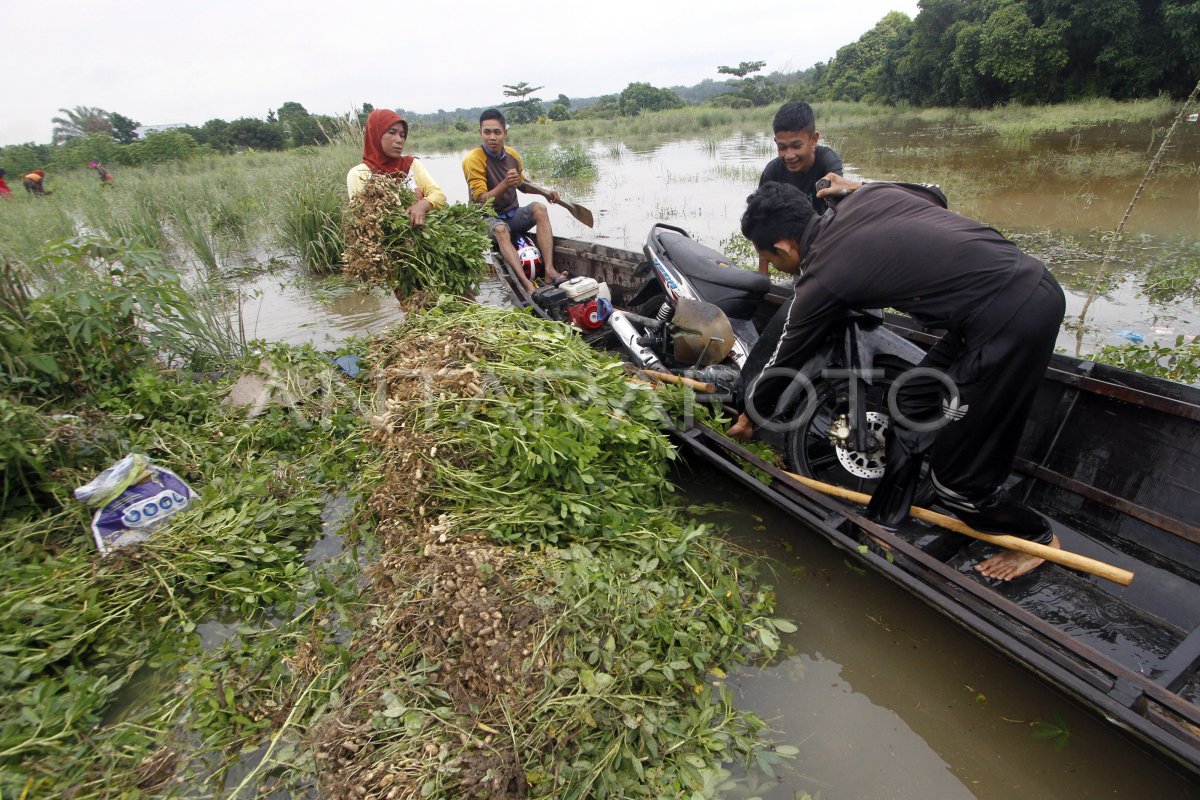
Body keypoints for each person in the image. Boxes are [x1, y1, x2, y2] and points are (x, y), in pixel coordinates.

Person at [728, 177, 1067, 581]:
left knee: (956, 484)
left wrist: (752, 414)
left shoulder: (824, 275)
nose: (773, 265)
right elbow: (934, 194)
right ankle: (886, 517)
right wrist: (855, 186)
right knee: (913, 401)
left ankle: (1038, 540)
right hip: (1001, 302)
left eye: (767, 256)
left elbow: (787, 355)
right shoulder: (866, 196)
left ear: (784, 247)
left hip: (1014, 319)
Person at [347, 109, 448, 302]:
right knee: (416, 307)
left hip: (433, 247)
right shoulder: (360, 174)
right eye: (392, 132)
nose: (399, 139)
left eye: (402, 134)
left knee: (459, 299)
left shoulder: (412, 165)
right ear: (376, 135)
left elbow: (439, 195)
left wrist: (423, 205)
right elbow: (367, 220)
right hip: (397, 258)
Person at [462, 108, 564, 293]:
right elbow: (479, 201)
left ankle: (549, 270)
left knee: (539, 209)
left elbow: (522, 184)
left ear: (505, 133)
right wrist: (504, 184)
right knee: (501, 230)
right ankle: (526, 283)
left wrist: (545, 192)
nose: (492, 137)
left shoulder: (512, 155)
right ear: (480, 133)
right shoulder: (473, 159)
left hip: (512, 214)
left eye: (497, 132)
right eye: (487, 132)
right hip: (486, 218)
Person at [756, 101, 842, 274]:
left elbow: (839, 211)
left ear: (813, 140)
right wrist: (762, 274)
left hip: (825, 239)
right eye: (782, 147)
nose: (789, 155)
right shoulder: (772, 172)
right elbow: (760, 222)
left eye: (796, 146)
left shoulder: (827, 162)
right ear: (775, 142)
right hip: (794, 245)